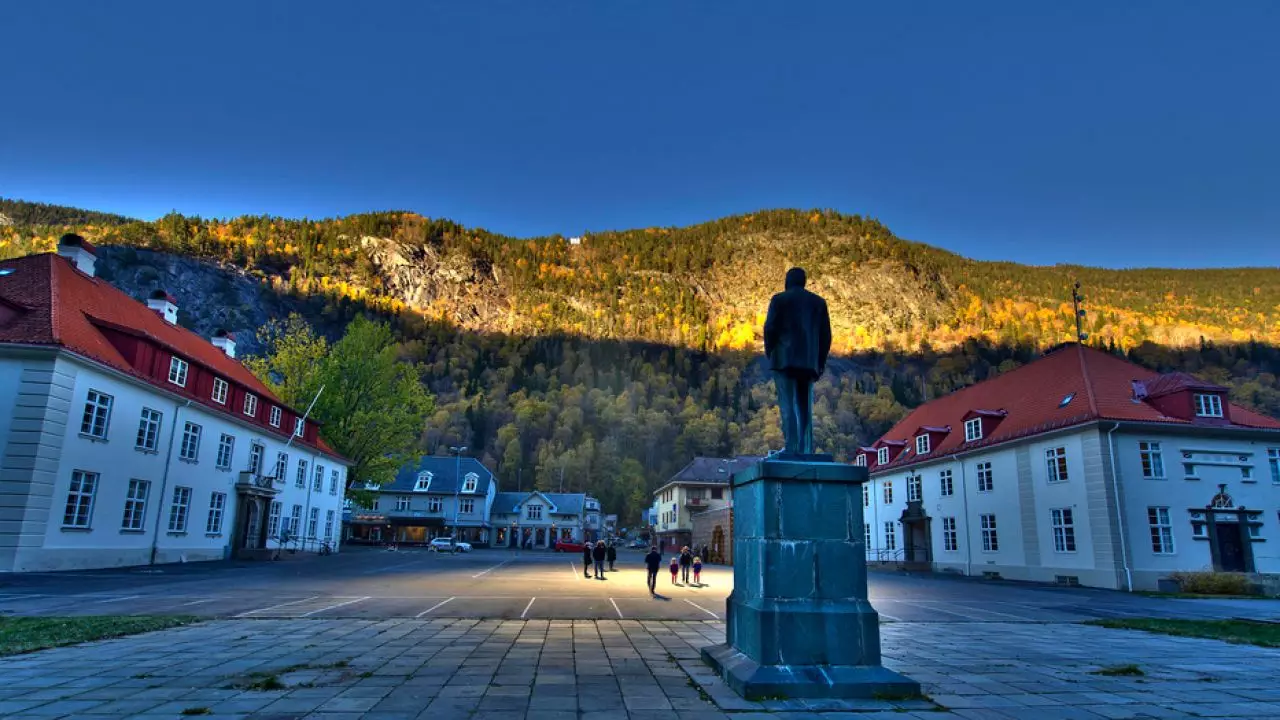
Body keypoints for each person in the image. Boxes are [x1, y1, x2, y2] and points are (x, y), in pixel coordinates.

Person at [763, 267, 832, 456]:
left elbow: (770, 328)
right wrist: (819, 363)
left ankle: (792, 447)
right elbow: (826, 337)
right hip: (808, 364)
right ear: (804, 281)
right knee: (805, 408)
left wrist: (771, 351)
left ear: (787, 281)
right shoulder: (818, 303)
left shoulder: (779, 300)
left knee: (787, 404)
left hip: (783, 360)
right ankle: (806, 448)